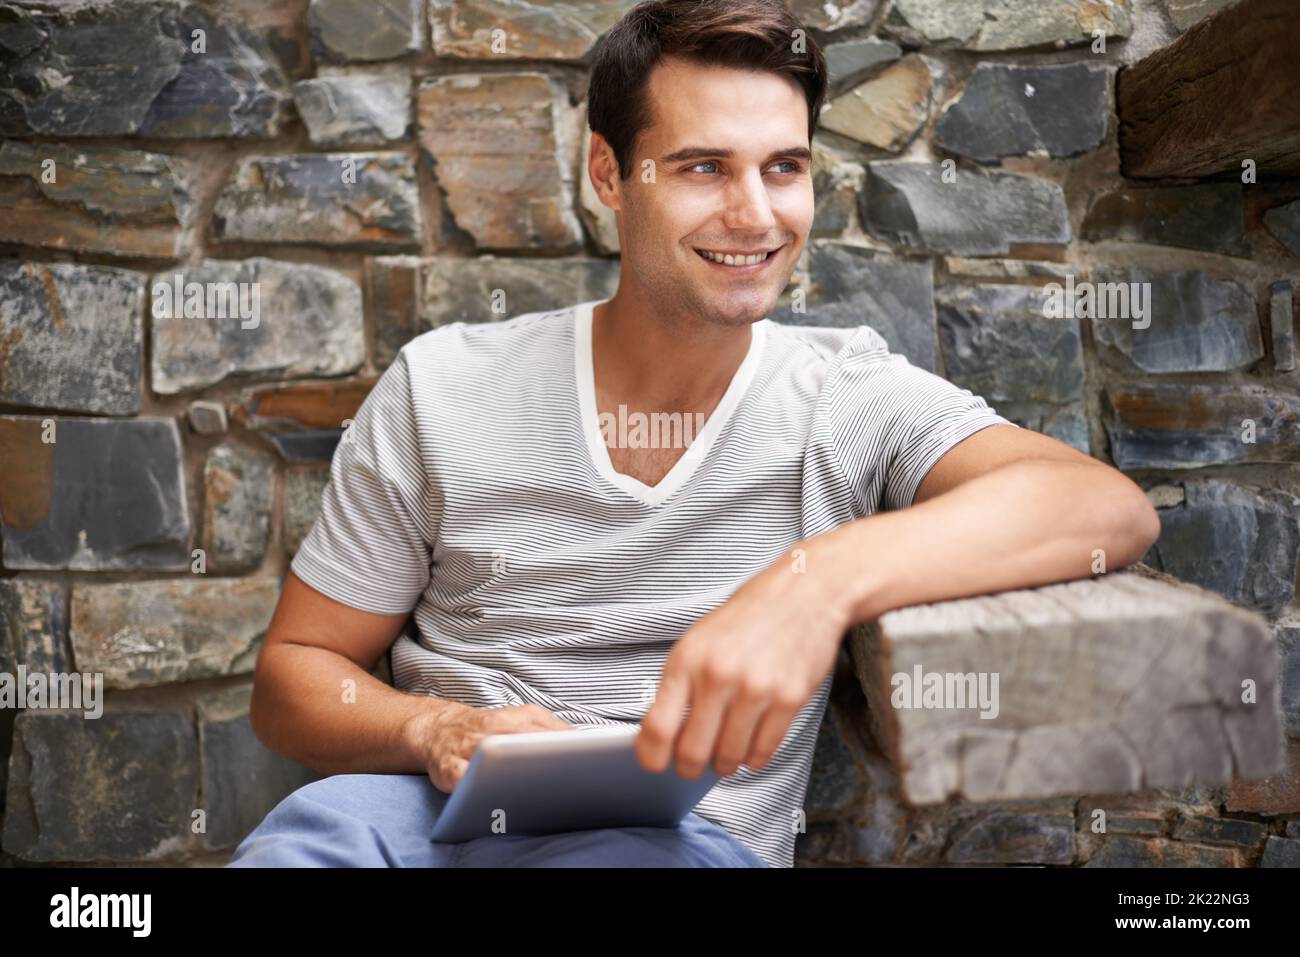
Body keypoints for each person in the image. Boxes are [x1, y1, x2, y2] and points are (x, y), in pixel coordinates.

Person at [229, 0, 1161, 869]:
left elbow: (1101, 507)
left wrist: (814, 584)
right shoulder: (443, 385)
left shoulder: (845, 392)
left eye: (783, 168)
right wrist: (431, 731)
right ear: (609, 173)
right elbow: (294, 674)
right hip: (410, 824)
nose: (754, 215)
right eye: (704, 167)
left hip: (679, 844)